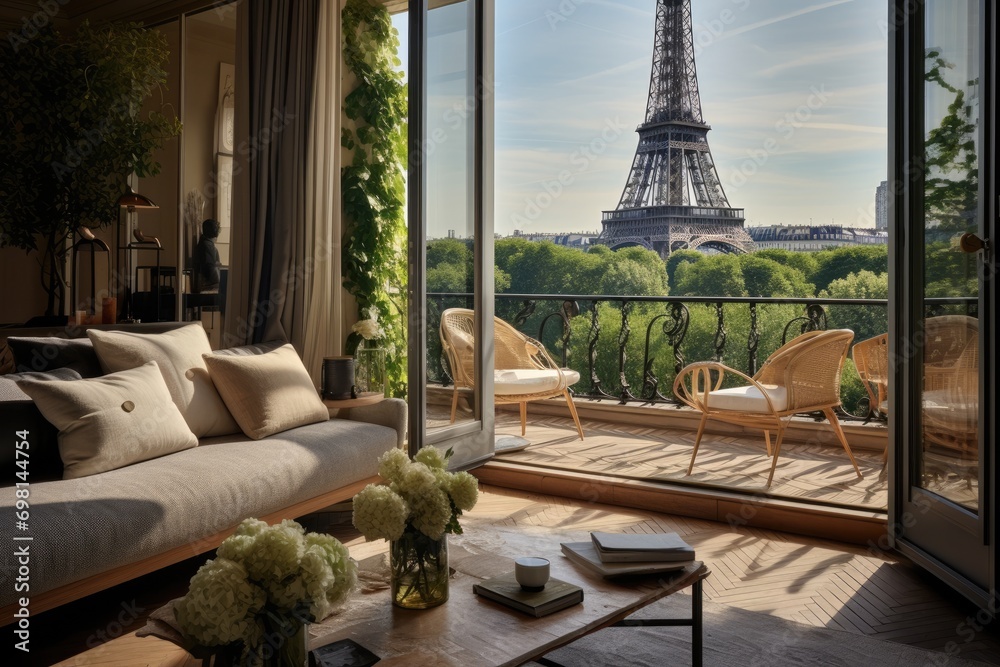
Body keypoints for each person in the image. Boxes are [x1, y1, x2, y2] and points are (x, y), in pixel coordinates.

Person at [192, 219, 221, 293]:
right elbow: (210, 269)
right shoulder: (208, 246)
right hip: (208, 285)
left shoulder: (204, 243)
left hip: (205, 283)